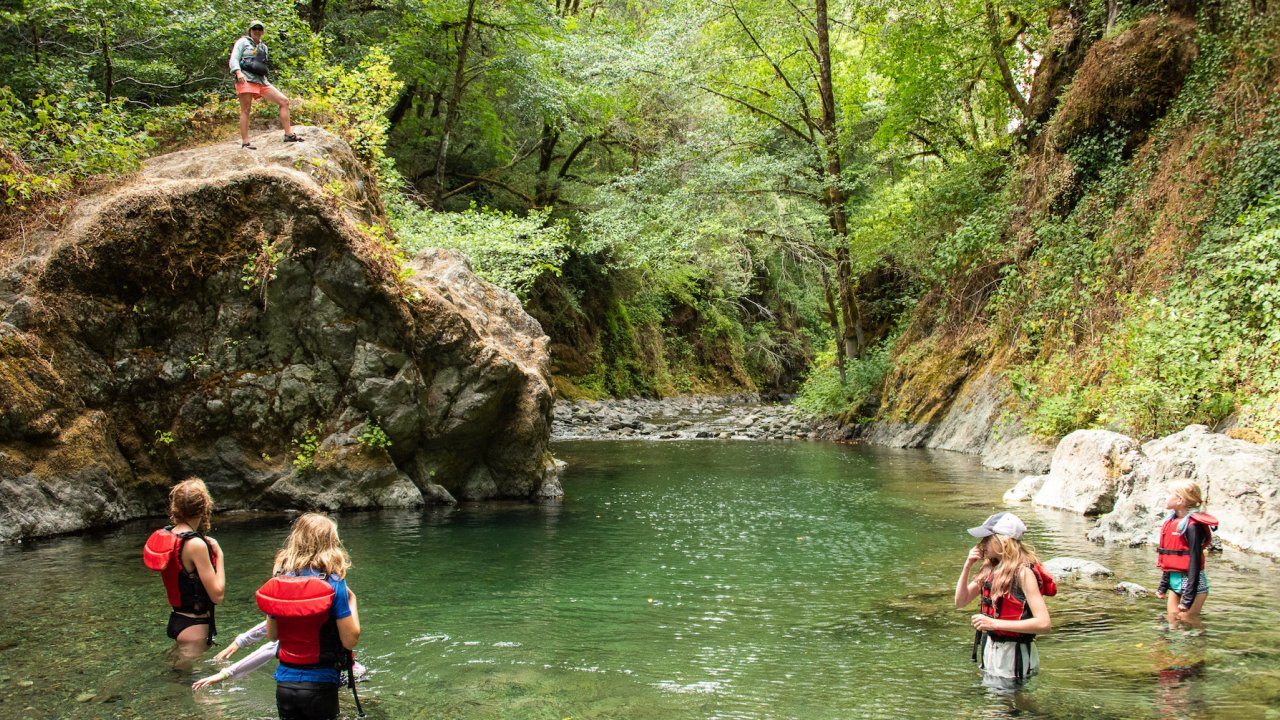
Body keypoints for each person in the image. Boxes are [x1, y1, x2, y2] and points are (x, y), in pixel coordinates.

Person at [255, 513, 362, 720]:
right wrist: (353, 601)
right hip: (320, 685)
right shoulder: (333, 582)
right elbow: (350, 640)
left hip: (284, 684)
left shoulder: (279, 581)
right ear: (331, 543)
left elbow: (272, 635)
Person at [954, 512, 1054, 689]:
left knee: (1006, 706)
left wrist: (994, 624)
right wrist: (967, 566)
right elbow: (960, 602)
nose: (981, 544)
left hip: (1014, 653)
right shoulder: (990, 569)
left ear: (1002, 541)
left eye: (987, 539)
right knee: (999, 704)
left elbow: (1044, 624)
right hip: (992, 649)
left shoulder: (1023, 574)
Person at [142, 478, 225, 665]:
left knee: (177, 678)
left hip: (178, 620)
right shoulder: (195, 544)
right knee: (194, 686)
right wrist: (219, 555)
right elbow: (217, 595)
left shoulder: (171, 536)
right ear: (205, 507)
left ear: (176, 507)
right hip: (194, 627)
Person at [191, 620, 367, 691]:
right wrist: (241, 641)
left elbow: (272, 644)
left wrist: (226, 673)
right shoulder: (331, 597)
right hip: (347, 673)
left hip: (335, 679)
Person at [228, 19, 303, 150]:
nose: (257, 31)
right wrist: (238, 73)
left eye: (259, 29)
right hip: (245, 78)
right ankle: (245, 143)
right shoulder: (242, 42)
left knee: (283, 101)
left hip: (261, 81)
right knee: (246, 109)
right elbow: (234, 58)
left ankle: (288, 134)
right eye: (254, 29)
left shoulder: (264, 47)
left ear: (262, 31)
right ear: (250, 30)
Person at [1156, 480, 1218, 628]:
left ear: (1180, 500)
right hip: (1175, 582)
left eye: (1168, 494)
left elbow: (1195, 561)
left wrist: (1188, 598)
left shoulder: (1192, 526)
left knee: (1187, 622)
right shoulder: (1170, 521)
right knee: (1172, 622)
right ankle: (1170, 651)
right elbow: (1169, 558)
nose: (1165, 496)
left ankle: (1198, 648)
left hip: (1194, 586)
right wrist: (1163, 585)